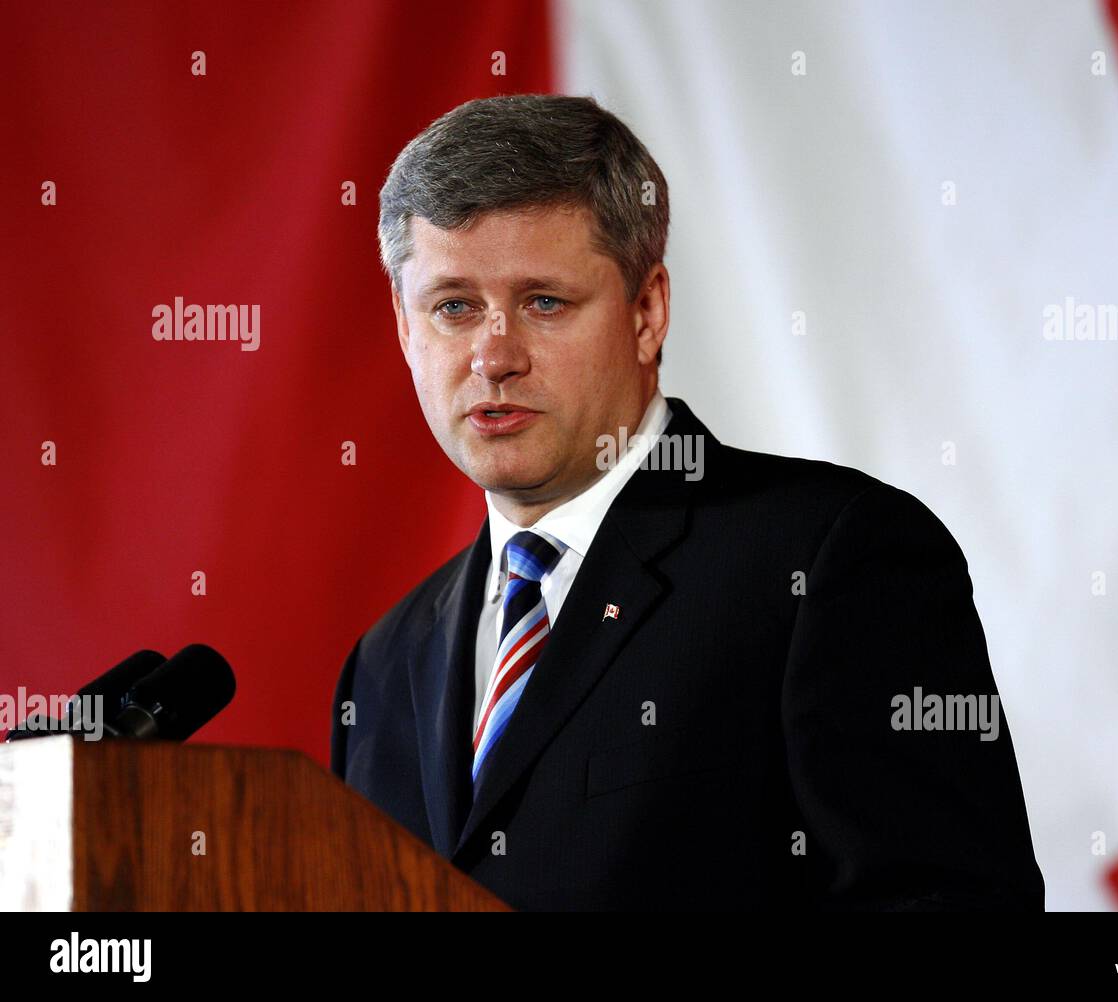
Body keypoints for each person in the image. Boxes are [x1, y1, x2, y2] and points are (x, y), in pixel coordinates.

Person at [330, 93, 1044, 910]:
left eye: (543, 302)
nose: (494, 357)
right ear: (405, 328)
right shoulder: (382, 666)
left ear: (647, 312)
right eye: (454, 307)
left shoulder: (831, 560)